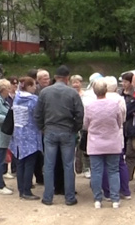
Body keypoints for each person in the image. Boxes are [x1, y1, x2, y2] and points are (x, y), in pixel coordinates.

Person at [34, 65, 84, 206]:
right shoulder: (72, 93)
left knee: (49, 165)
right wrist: (75, 128)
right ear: (67, 78)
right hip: (67, 131)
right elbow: (80, 114)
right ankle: (69, 197)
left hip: (50, 130)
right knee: (68, 165)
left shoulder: (44, 92)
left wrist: (43, 128)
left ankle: (48, 197)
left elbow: (37, 114)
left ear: (55, 77)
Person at [84, 79, 124, 209]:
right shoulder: (114, 104)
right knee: (113, 170)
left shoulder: (89, 106)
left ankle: (97, 199)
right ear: (106, 90)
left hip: (95, 143)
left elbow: (85, 124)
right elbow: (120, 121)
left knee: (96, 172)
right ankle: (115, 199)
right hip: (112, 142)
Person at [9, 77, 42, 200]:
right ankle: (27, 190)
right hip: (31, 134)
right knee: (29, 163)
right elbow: (38, 115)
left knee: (20, 163)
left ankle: (21, 189)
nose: (35, 87)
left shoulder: (16, 98)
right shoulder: (34, 100)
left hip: (17, 133)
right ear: (28, 86)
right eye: (33, 85)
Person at [100, 76, 131, 201]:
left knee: (105, 165)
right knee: (120, 163)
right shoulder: (120, 99)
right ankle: (125, 190)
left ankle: (108, 192)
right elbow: (123, 117)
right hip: (117, 133)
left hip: (103, 135)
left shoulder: (101, 99)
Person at [3, 76, 19, 180]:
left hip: (16, 123)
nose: (15, 85)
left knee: (15, 147)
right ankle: (4, 169)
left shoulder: (18, 96)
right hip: (8, 123)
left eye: (16, 83)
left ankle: (15, 168)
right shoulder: (6, 97)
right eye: (13, 84)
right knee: (6, 147)